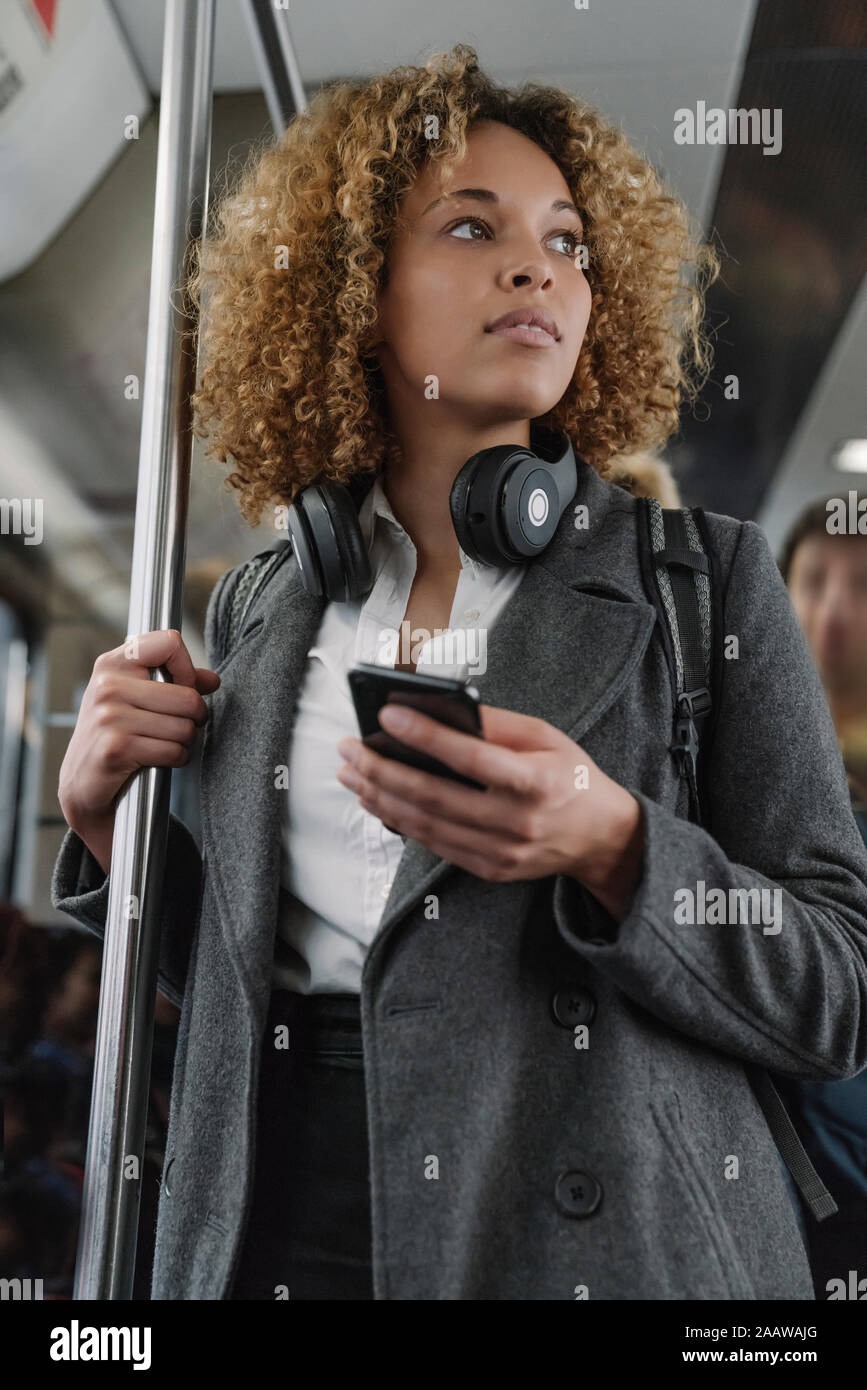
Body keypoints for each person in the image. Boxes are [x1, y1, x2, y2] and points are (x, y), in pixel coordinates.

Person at [50, 45, 867, 1301]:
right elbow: (223, 977)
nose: (538, 265)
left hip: (588, 1232)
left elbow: (836, 983)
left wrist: (616, 846)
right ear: (357, 291)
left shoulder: (700, 579)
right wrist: (109, 827)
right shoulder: (270, 599)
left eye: (567, 241)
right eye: (472, 226)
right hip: (270, 1206)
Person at [773, 496, 867, 1291]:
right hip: (770, 1159)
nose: (831, 611)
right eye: (812, 581)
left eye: (862, 586)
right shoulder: (728, 753)